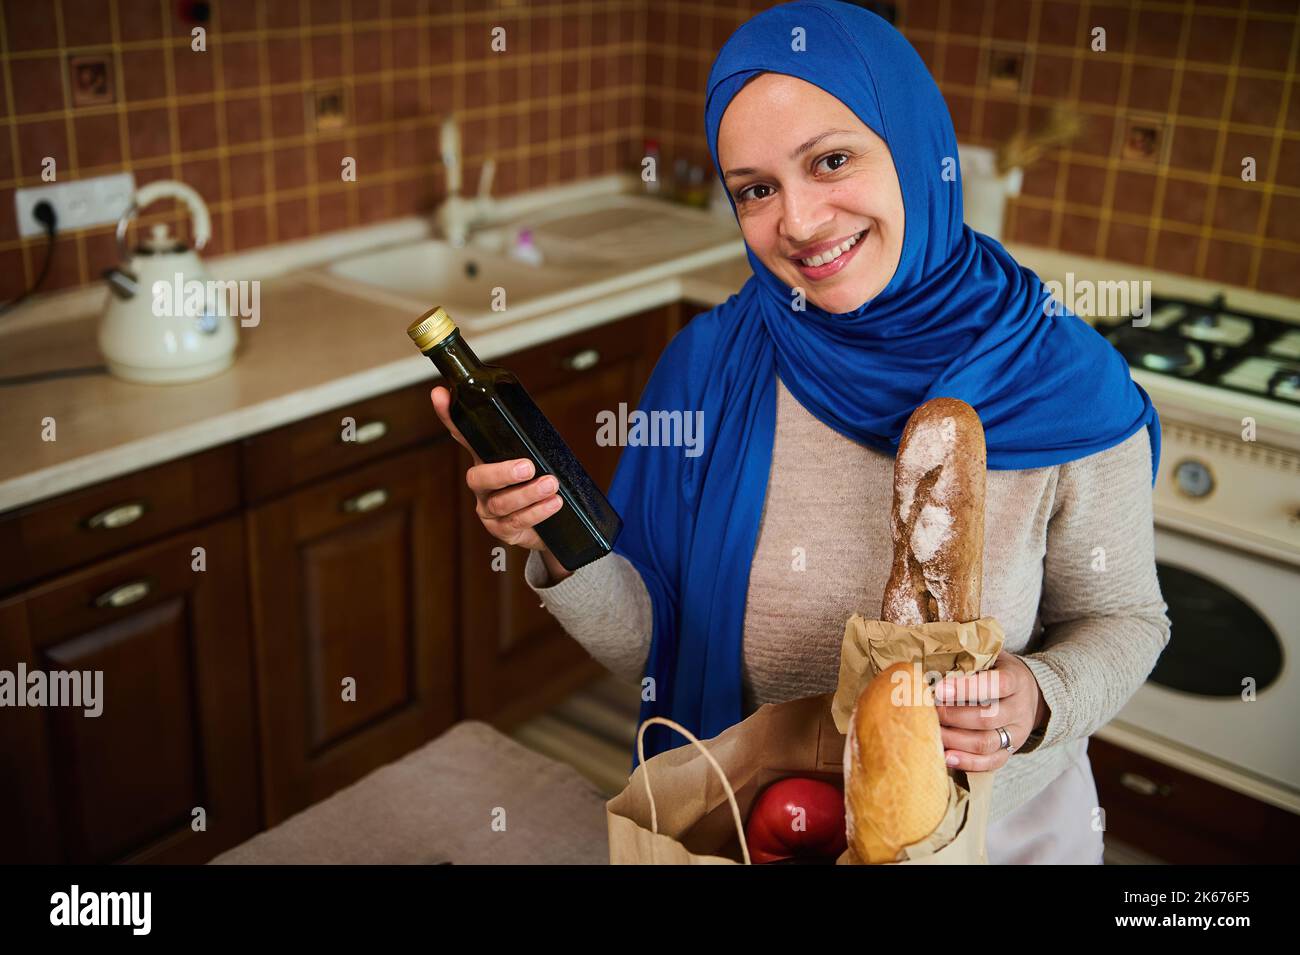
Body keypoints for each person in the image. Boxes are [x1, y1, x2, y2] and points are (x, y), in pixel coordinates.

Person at [431, 0, 1170, 864]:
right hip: (763, 829)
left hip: (998, 836)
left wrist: (1041, 696)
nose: (801, 221)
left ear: (914, 146)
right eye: (755, 189)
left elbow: (1127, 617)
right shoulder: (706, 369)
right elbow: (653, 650)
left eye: (832, 159)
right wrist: (553, 538)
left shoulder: (1063, 379)